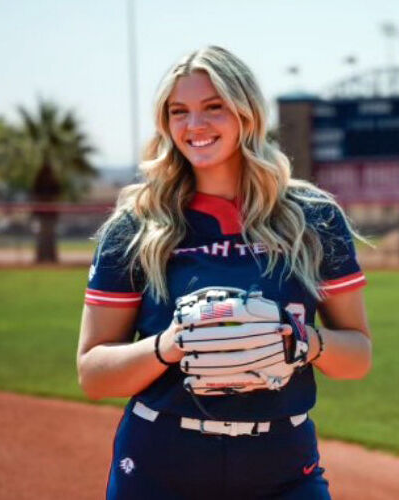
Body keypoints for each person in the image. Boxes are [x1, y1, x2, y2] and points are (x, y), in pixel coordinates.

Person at [76, 46, 372, 499]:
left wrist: (302, 342)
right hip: (161, 465)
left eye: (213, 107)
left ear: (246, 113)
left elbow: (358, 356)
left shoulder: (313, 218)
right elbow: (93, 374)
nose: (195, 126)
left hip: (283, 466)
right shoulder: (137, 224)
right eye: (180, 111)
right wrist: (173, 343)